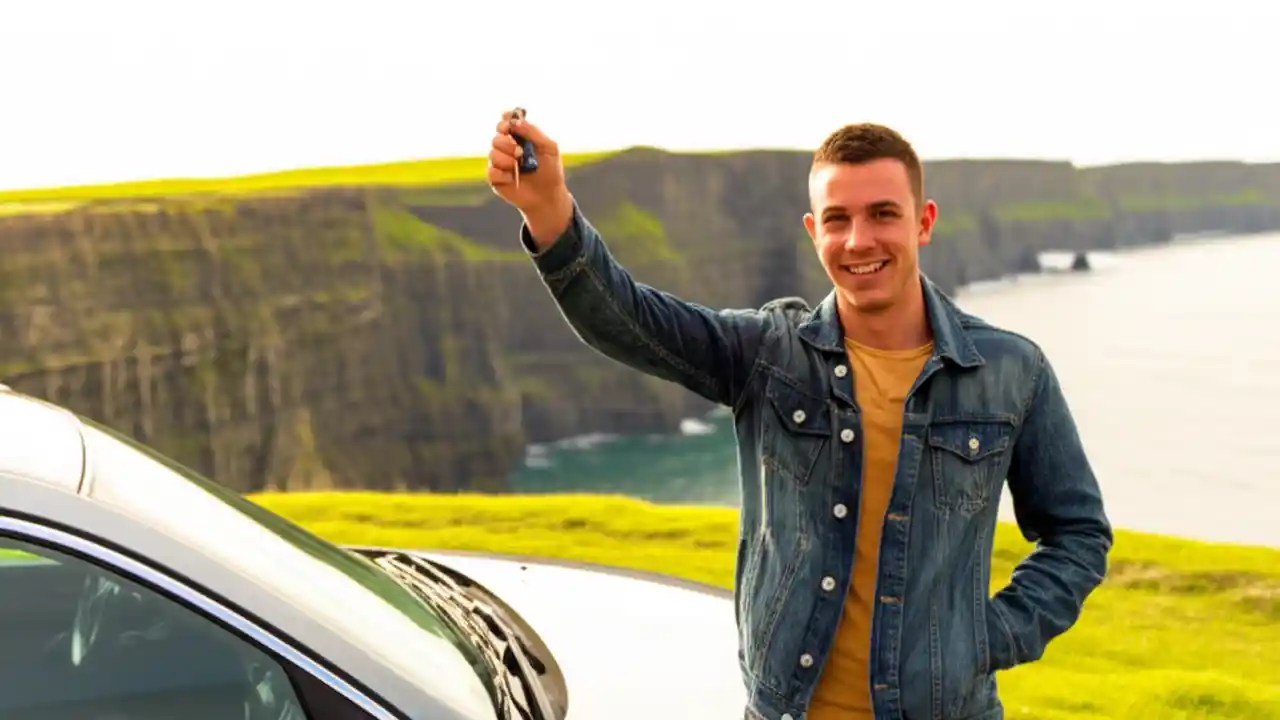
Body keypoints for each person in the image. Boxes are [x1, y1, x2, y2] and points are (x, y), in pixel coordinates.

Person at [485, 111, 1112, 720]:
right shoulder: (768, 353)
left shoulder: (1011, 372)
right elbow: (630, 321)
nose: (859, 240)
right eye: (837, 219)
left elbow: (1078, 534)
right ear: (814, 231)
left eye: (882, 214)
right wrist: (548, 210)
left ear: (923, 222)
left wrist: (989, 636)